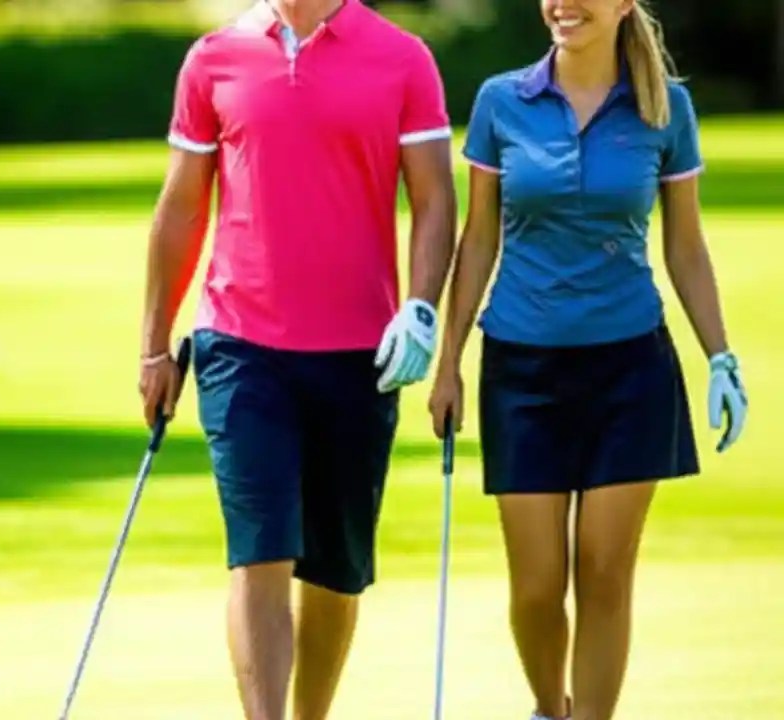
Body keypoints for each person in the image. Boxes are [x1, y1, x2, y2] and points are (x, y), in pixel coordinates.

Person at [428, 1, 749, 719]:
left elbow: (686, 246)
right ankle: (552, 707)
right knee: (538, 585)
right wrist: (448, 360)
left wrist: (720, 355)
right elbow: (478, 240)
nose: (562, 5)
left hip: (631, 367)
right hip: (522, 368)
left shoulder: (667, 108)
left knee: (605, 572)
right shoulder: (502, 101)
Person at [136, 0, 457, 717]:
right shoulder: (213, 57)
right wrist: (155, 344)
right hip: (240, 346)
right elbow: (182, 206)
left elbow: (435, 198)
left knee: (335, 573)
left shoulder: (402, 57)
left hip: (360, 352)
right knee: (259, 551)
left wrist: (424, 308)